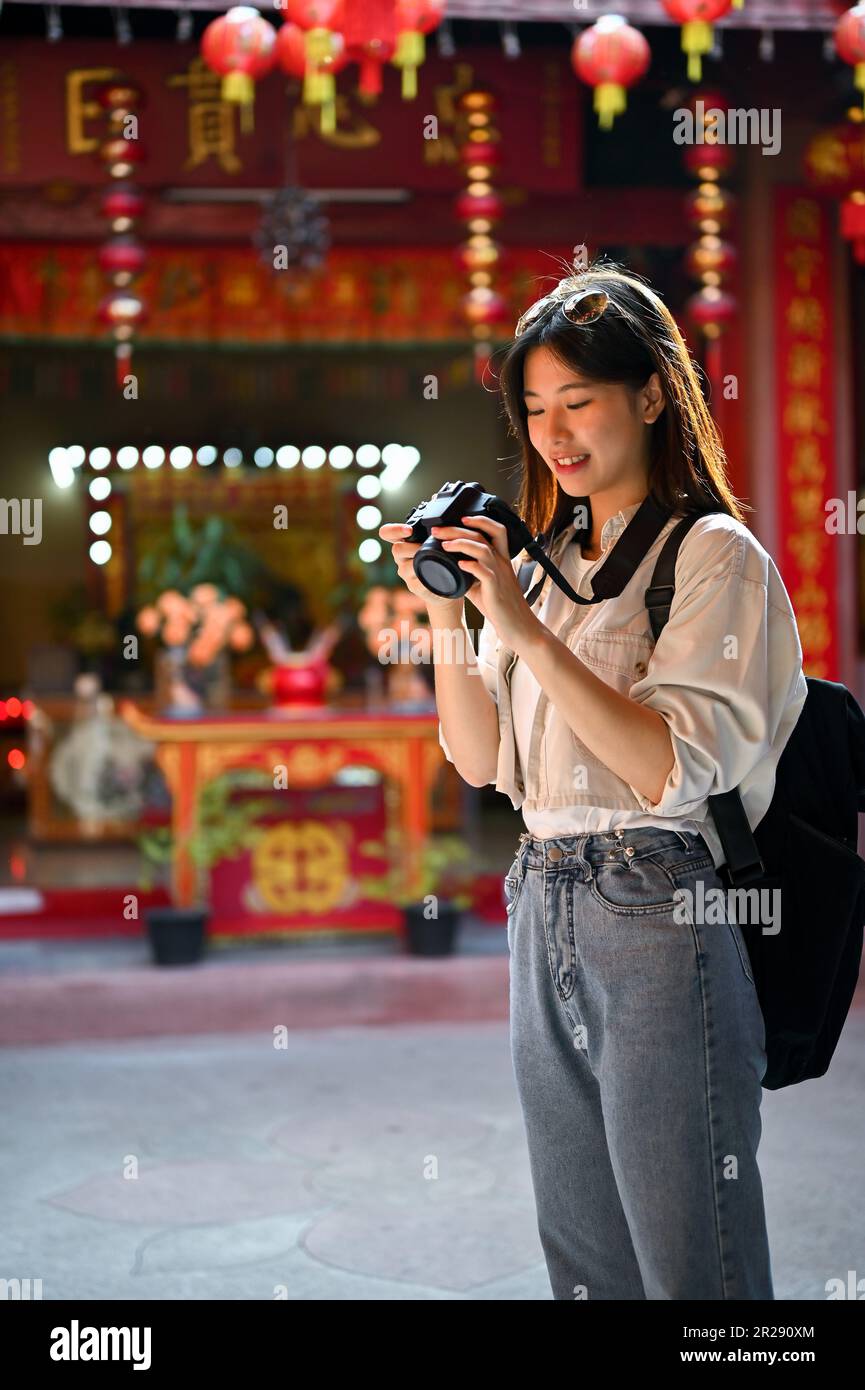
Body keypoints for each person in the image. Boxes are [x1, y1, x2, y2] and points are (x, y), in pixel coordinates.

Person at [379, 259, 808, 1301]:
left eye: (579, 401)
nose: (554, 434)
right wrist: (450, 613)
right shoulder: (532, 568)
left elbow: (670, 764)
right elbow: (482, 763)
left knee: (687, 1255)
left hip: (660, 907)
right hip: (542, 898)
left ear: (652, 395)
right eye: (534, 409)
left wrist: (523, 629)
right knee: (583, 1256)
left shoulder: (714, 556)